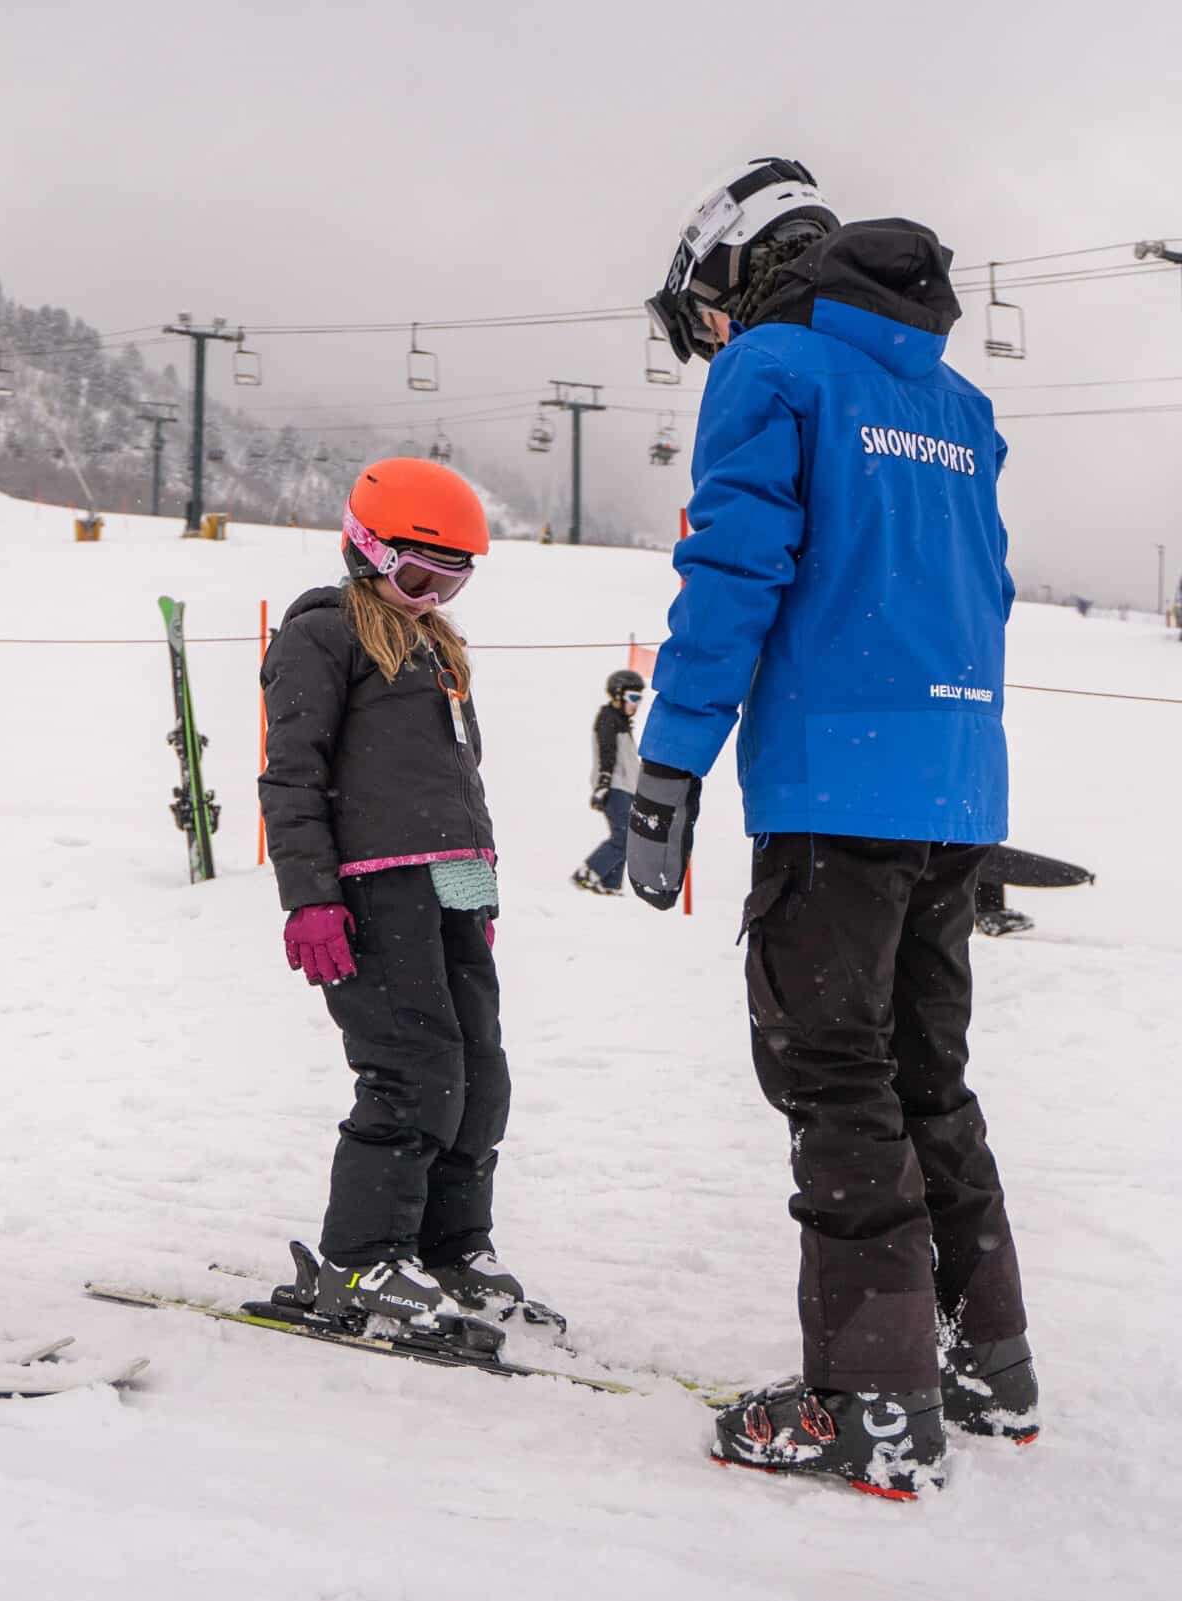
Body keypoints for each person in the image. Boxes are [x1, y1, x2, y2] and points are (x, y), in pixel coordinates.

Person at [633, 158, 1036, 1496]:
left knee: (836, 1077)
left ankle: (870, 1403)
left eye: (708, 311)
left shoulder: (773, 370)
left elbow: (733, 570)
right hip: (954, 787)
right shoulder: (954, 400)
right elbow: (981, 589)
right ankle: (984, 1361)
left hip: (833, 792)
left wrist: (669, 761)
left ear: (743, 273)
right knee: (925, 1076)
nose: (713, 340)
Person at [259, 457, 553, 1344]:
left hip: (448, 884)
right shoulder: (324, 634)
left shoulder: (436, 648)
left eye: (450, 582)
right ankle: (360, 1258)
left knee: (480, 1074)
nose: (431, 597)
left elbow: (459, 785)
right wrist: (311, 897)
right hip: (371, 890)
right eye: (418, 577)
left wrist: (477, 892)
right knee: (411, 1071)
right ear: (367, 550)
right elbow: (291, 777)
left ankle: (450, 1245)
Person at [571, 669, 644, 896]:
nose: (636, 704)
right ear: (618, 694)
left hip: (627, 788)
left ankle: (609, 884)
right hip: (615, 786)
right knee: (624, 837)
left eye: (639, 698)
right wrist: (603, 784)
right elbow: (607, 752)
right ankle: (588, 872)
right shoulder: (608, 719)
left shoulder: (621, 722)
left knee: (628, 838)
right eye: (633, 697)